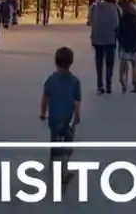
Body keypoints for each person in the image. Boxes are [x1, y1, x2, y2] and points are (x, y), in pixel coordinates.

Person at [40, 47, 82, 188]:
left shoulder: (51, 80)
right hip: (68, 120)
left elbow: (45, 98)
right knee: (67, 146)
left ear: (56, 62)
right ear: (71, 63)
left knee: (55, 139)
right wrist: (77, 116)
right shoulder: (75, 82)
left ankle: (55, 160)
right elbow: (76, 102)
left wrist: (42, 112)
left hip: (54, 118)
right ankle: (63, 172)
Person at [88, 0, 120, 94]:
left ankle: (99, 85)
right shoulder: (115, 9)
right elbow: (117, 24)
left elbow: (90, 21)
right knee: (109, 63)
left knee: (99, 62)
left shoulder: (94, 7)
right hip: (110, 39)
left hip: (97, 38)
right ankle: (108, 84)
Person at [116, 0, 136, 93]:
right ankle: (135, 83)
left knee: (123, 64)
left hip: (124, 46)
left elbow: (118, 33)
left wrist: (121, 42)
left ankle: (122, 82)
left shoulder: (122, 20)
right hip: (135, 45)